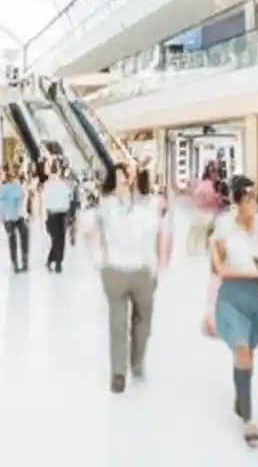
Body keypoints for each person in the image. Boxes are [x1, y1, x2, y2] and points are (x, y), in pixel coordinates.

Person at [210, 175, 258, 448]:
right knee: (242, 351)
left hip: (255, 299)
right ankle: (248, 419)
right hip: (231, 298)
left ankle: (241, 392)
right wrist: (249, 271)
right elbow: (218, 267)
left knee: (248, 353)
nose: (253, 202)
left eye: (254, 197)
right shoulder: (224, 228)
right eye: (248, 197)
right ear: (237, 201)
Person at [94, 165, 167, 393]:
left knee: (143, 323)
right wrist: (102, 264)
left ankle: (137, 363)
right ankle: (118, 372)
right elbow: (98, 233)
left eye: (126, 178)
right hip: (115, 269)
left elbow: (157, 235)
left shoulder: (149, 205)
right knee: (117, 323)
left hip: (143, 270)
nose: (123, 183)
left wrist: (156, 268)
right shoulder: (106, 207)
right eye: (118, 180)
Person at [0, 168, 28, 272]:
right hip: (12, 216)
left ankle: (21, 261)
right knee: (17, 237)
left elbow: (22, 197)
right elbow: (22, 197)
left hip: (15, 216)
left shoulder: (12, 186)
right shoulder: (6, 187)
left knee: (17, 237)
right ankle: (18, 262)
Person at [42, 169, 74, 273]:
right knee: (59, 239)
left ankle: (54, 262)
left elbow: (46, 201)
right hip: (59, 214)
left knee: (57, 240)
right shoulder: (62, 185)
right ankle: (54, 262)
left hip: (55, 214)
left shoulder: (49, 185)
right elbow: (69, 198)